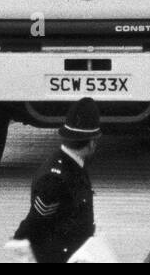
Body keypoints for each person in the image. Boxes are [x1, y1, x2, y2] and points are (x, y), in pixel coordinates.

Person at [13, 97, 99, 263]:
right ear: (91, 143)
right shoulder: (54, 179)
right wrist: (19, 244)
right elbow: (35, 220)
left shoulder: (73, 164)